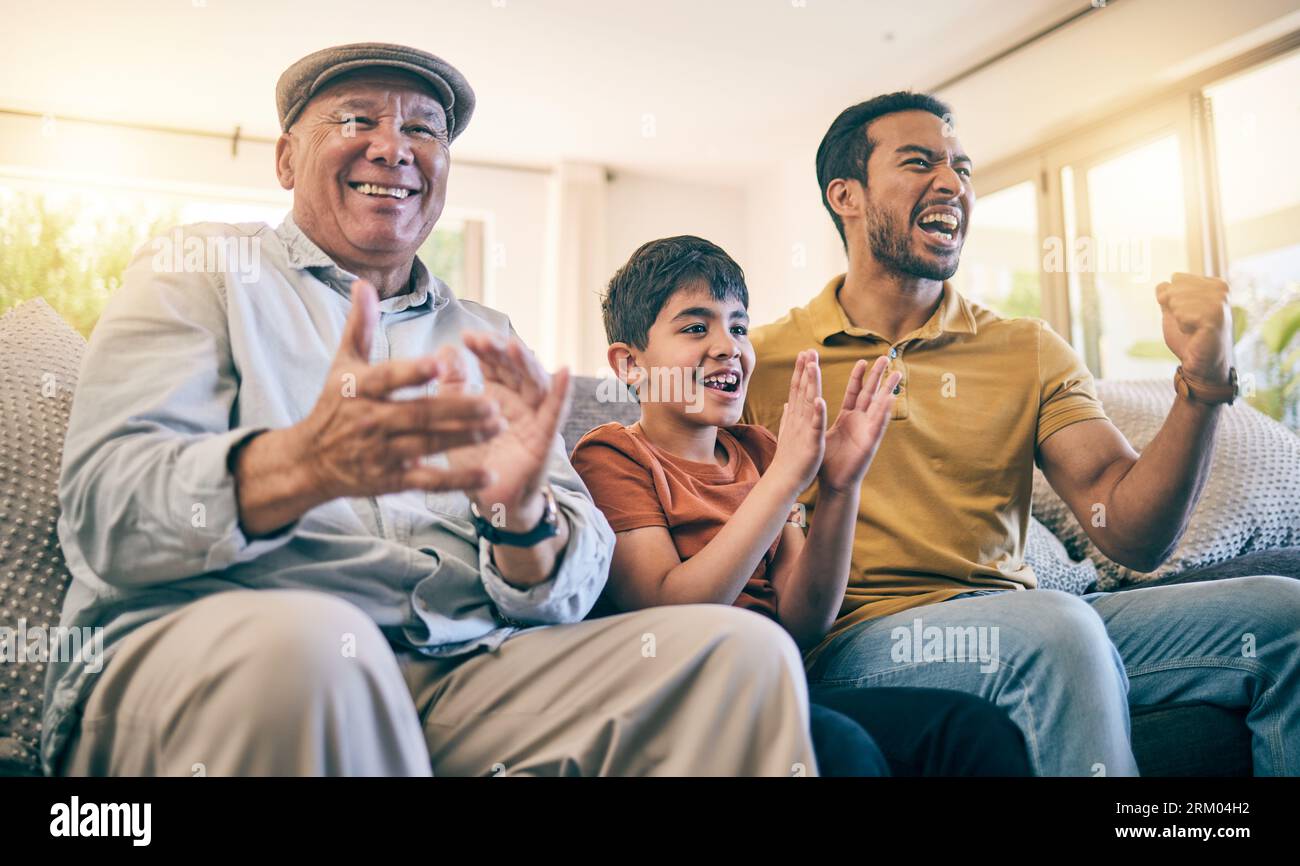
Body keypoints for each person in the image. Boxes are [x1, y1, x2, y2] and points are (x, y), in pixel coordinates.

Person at [42, 43, 819, 777]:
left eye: (423, 128)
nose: (393, 147)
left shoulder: (487, 336)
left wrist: (520, 519)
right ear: (285, 158)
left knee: (739, 658)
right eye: (356, 119)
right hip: (228, 643)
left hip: (456, 669)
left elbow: (579, 578)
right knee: (317, 646)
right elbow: (105, 511)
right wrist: (301, 467)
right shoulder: (199, 271)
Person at [740, 91, 1300, 776]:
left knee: (1286, 618)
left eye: (962, 169)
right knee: (1059, 632)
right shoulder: (758, 362)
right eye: (919, 163)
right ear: (846, 196)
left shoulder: (1025, 348)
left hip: (1024, 619)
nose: (951, 183)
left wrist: (1204, 385)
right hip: (860, 642)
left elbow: (1132, 533)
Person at [572, 235, 1032, 776]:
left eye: (738, 326)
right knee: (844, 752)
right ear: (629, 363)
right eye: (696, 327)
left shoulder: (759, 451)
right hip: (684, 699)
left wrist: (839, 486)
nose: (729, 346)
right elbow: (668, 610)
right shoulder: (612, 455)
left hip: (779, 680)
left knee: (972, 731)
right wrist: (784, 482)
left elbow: (804, 618)